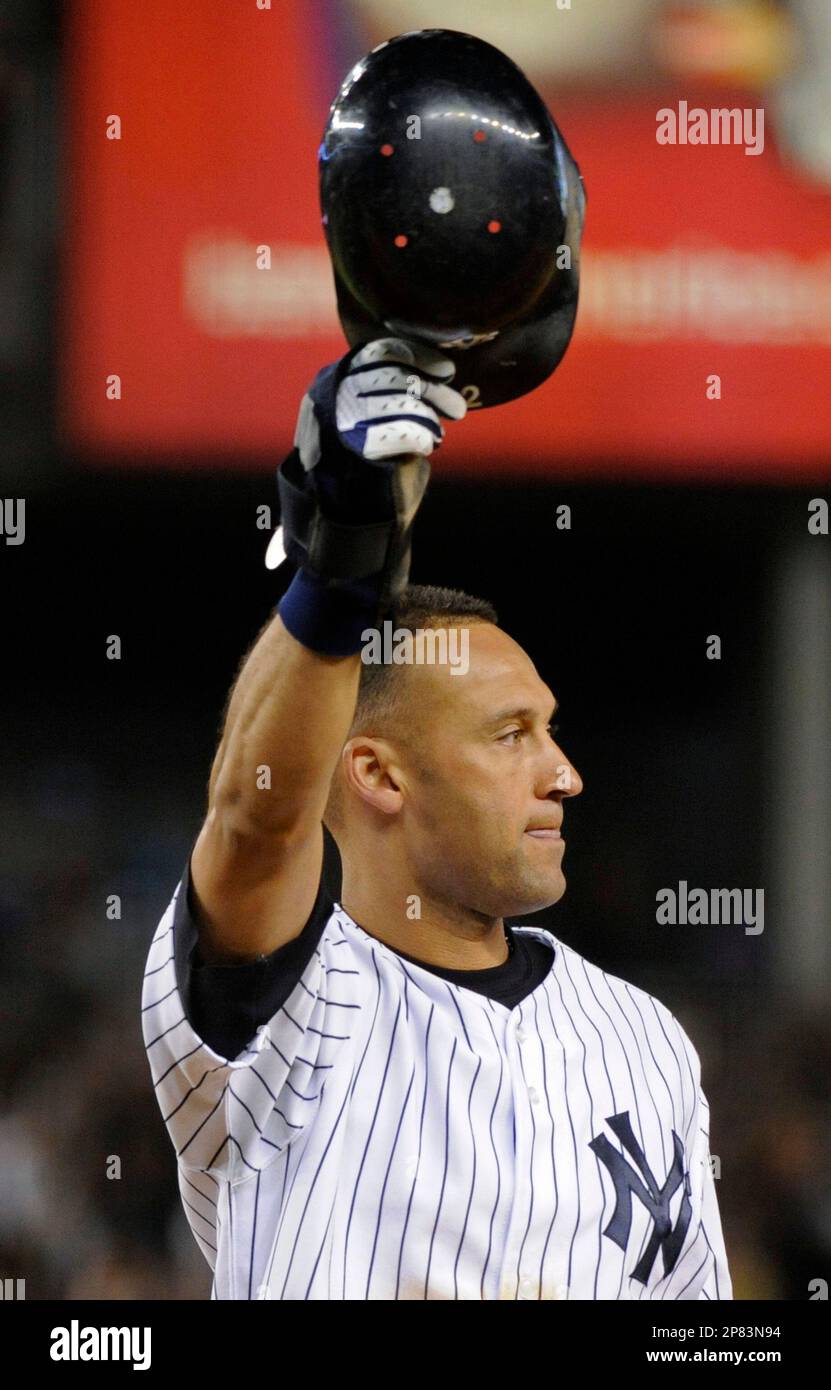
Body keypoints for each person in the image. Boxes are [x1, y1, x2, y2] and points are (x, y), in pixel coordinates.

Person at [142, 338, 732, 1300]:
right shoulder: (288, 1013)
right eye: (510, 736)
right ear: (377, 775)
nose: (564, 774)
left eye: (550, 730)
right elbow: (254, 820)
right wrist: (335, 579)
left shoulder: (641, 1034)